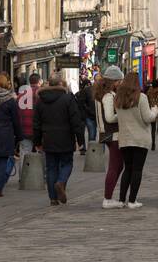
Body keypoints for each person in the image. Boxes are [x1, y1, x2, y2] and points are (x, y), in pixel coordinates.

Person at [34, 72, 84, 207]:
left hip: (48, 138)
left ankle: (53, 199)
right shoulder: (68, 99)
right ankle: (61, 182)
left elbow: (36, 124)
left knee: (51, 167)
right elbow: (76, 121)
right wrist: (80, 140)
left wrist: (37, 142)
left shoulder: (40, 100)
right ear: (61, 83)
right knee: (67, 163)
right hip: (65, 137)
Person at [114, 70, 154, 208]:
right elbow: (148, 117)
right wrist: (155, 110)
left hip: (125, 138)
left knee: (127, 169)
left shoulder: (118, 98)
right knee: (137, 170)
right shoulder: (141, 97)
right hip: (140, 138)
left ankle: (121, 200)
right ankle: (132, 200)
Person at [94, 66, 125, 208]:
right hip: (112, 134)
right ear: (114, 81)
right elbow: (110, 117)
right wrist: (124, 115)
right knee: (114, 166)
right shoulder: (108, 96)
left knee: (118, 166)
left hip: (107, 133)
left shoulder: (102, 94)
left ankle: (109, 196)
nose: (121, 83)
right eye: (119, 80)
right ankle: (107, 198)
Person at [75, 78, 96, 150]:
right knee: (88, 133)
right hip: (85, 115)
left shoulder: (78, 94)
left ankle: (85, 148)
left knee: (84, 133)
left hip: (84, 115)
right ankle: (86, 148)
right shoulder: (80, 94)